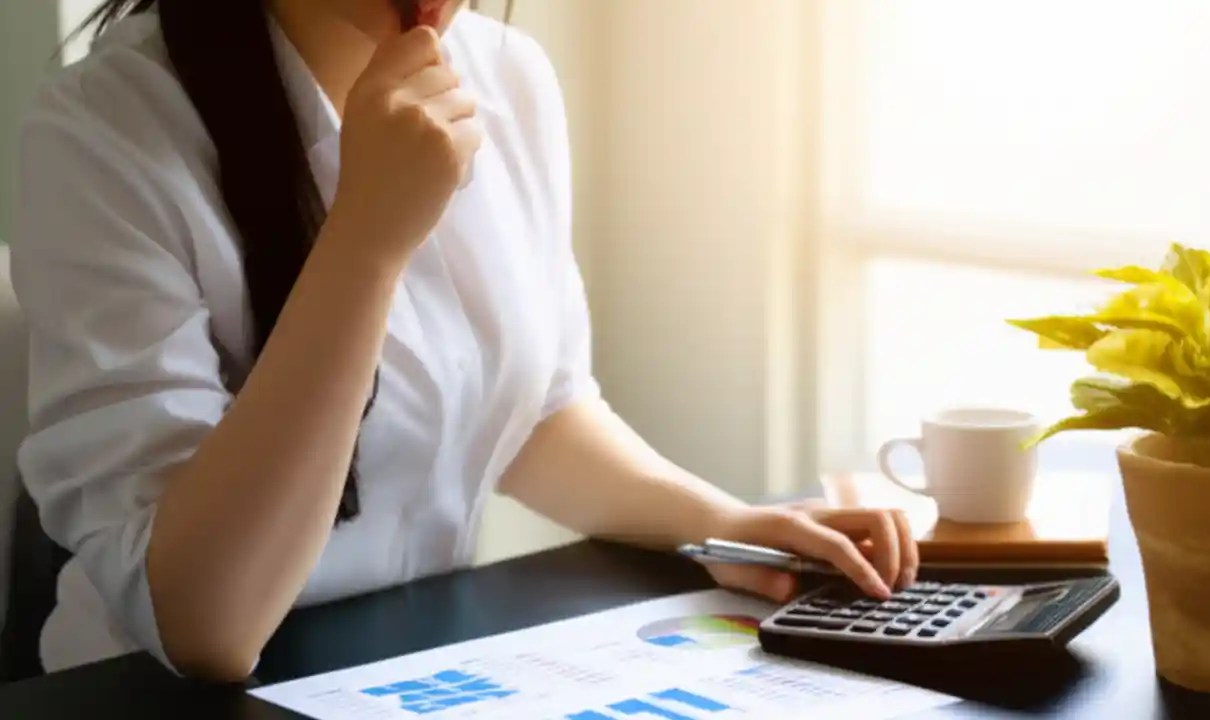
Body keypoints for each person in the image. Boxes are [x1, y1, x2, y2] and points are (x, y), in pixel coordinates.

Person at [10, 0, 919, 681]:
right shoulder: (102, 135)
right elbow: (206, 626)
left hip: (403, 666)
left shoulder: (507, 75)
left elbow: (535, 412)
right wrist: (367, 240)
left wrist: (721, 524)